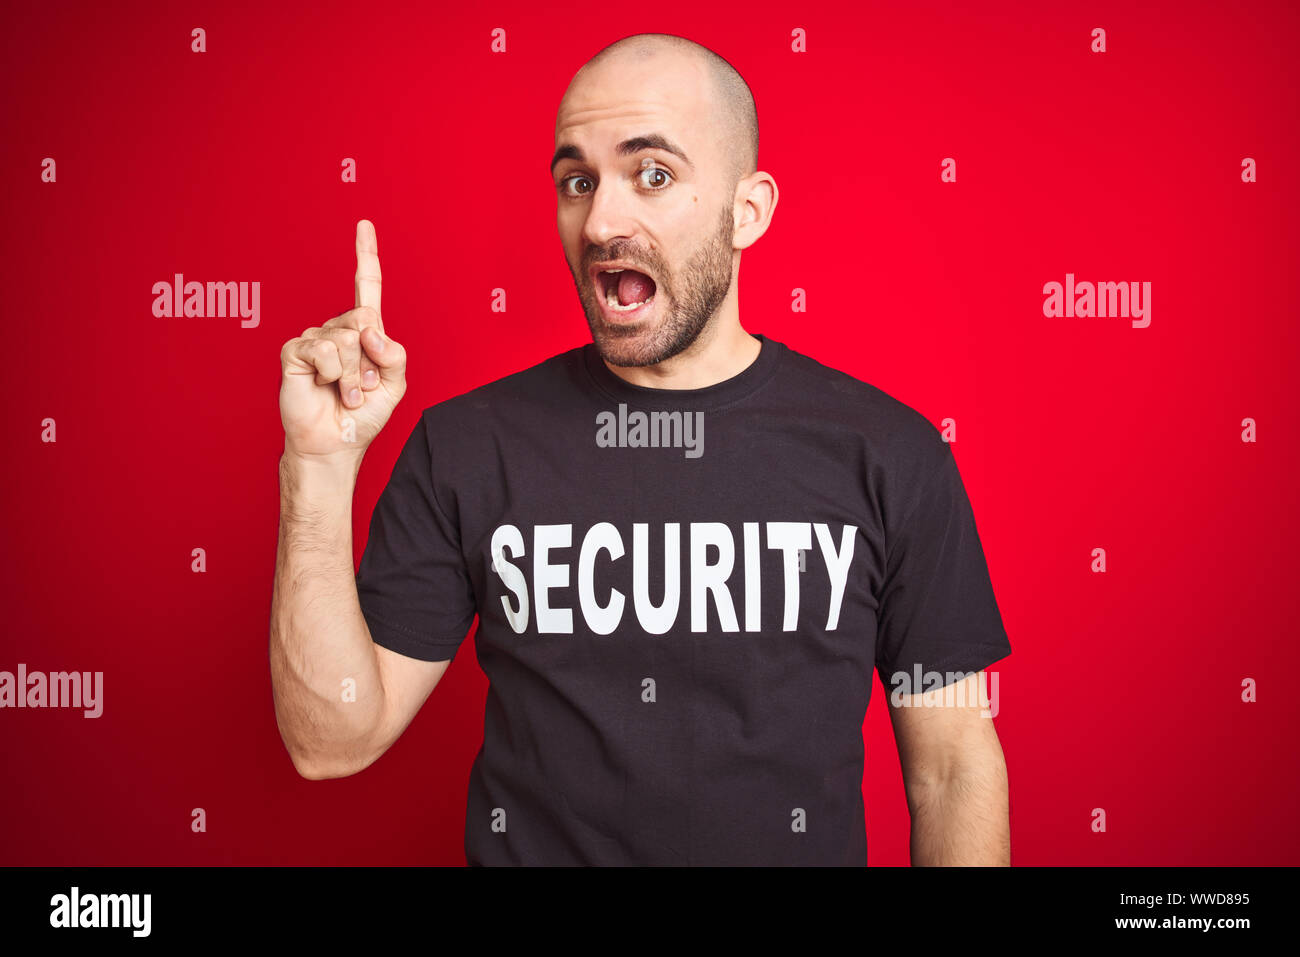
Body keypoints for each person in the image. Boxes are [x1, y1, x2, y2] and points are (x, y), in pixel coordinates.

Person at [270, 32, 1012, 866]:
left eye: (652, 174)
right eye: (577, 181)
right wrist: (319, 469)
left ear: (748, 211)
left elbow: (951, 768)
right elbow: (330, 740)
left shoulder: (890, 453)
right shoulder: (467, 446)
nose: (602, 221)